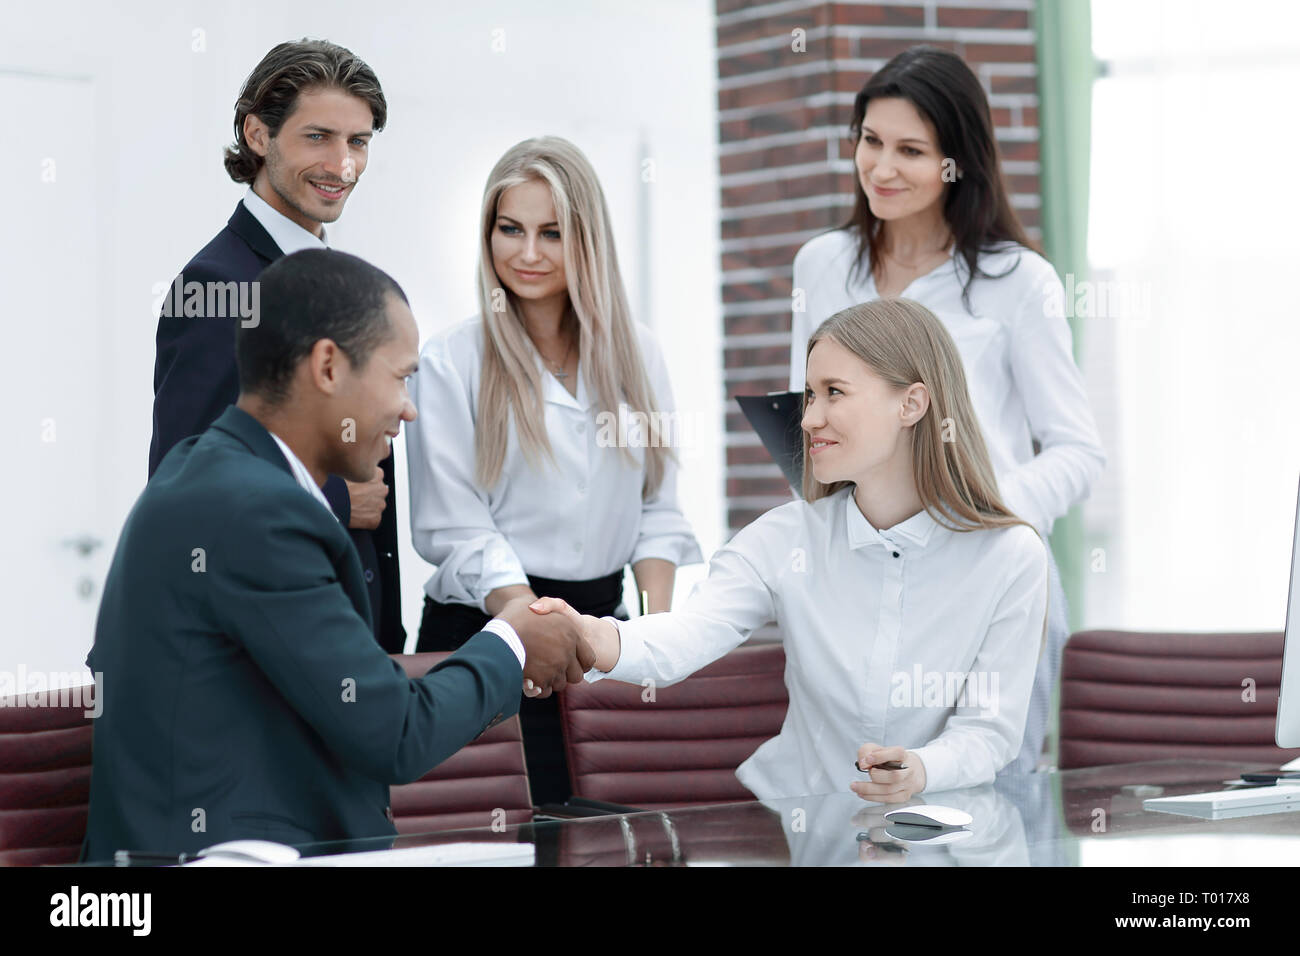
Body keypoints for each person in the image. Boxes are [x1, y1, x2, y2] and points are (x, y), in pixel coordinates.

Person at [81, 249, 593, 861]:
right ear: (328, 365)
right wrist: (512, 641)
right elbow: (395, 731)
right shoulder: (257, 514)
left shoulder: (213, 472)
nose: (409, 407)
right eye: (400, 377)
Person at [534, 298, 1048, 804]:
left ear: (911, 404)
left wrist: (921, 768)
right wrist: (592, 632)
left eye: (834, 392)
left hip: (941, 835)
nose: (808, 419)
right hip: (795, 830)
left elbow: (990, 730)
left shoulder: (1010, 556)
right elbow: (687, 635)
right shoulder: (783, 539)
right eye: (810, 394)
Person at [786, 45, 1105, 773]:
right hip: (859, 591)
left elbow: (1077, 452)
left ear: (957, 161)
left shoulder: (1017, 281)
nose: (883, 168)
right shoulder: (821, 266)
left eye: (912, 151)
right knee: (860, 796)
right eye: (870, 141)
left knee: (987, 795)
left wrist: (979, 509)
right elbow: (811, 428)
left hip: (985, 585)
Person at [406, 136, 702, 804]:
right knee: (487, 840)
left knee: (607, 838)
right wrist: (533, 631)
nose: (528, 253)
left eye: (552, 232)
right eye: (510, 229)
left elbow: (659, 511)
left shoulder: (638, 354)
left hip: (602, 640)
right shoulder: (453, 359)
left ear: (588, 240)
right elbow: (458, 530)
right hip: (484, 640)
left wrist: (657, 635)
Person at [147, 38, 405, 652]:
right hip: (264, 652)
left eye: (359, 141)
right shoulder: (219, 285)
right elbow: (179, 495)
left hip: (349, 643)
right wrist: (337, 501)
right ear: (258, 136)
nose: (342, 164)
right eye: (318, 137)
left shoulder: (339, 277)